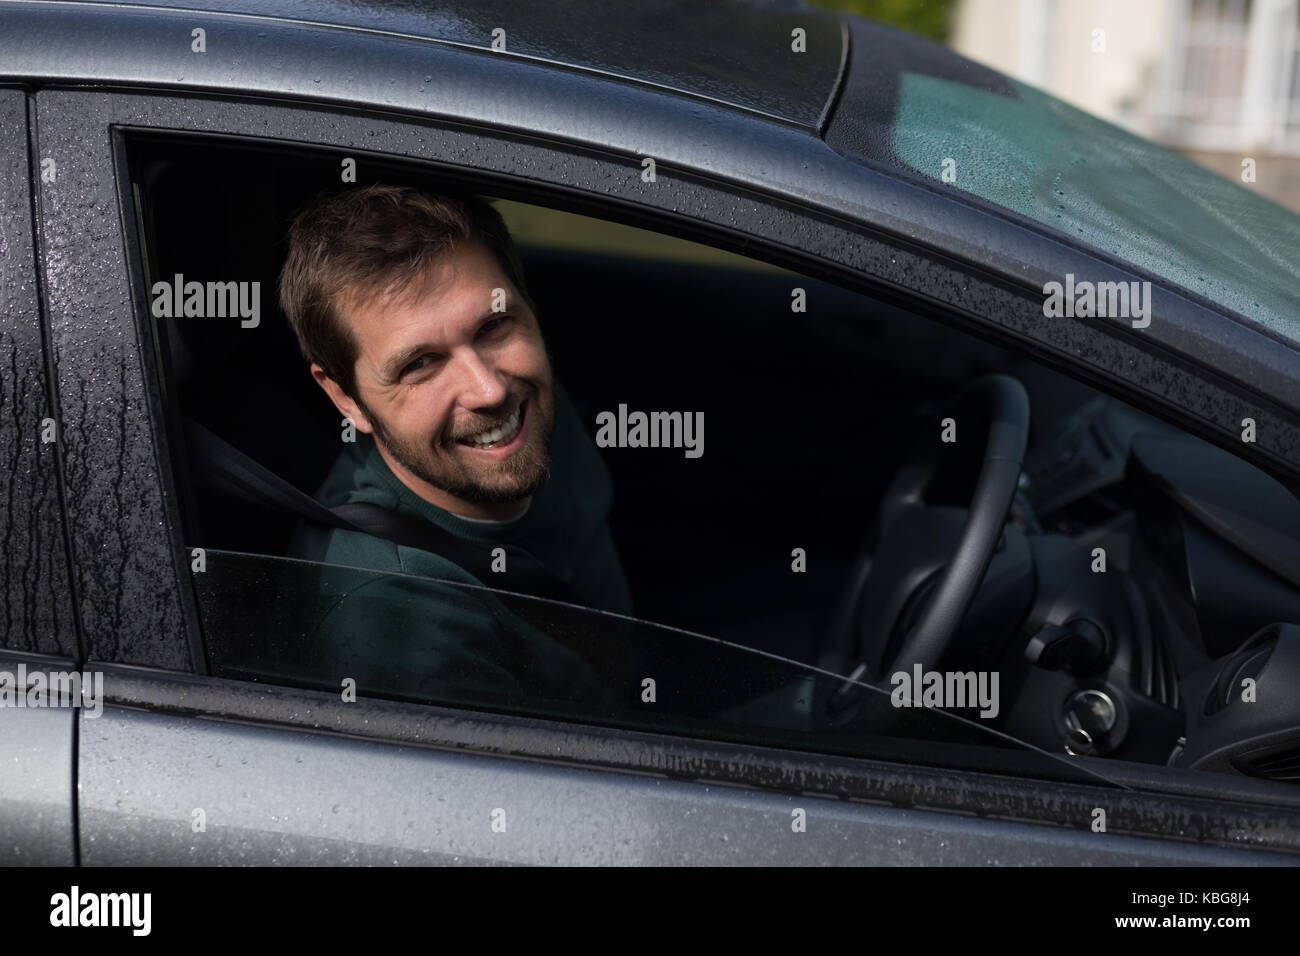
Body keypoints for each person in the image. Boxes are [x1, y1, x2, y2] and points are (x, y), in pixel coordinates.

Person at [277, 184, 634, 703]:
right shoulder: (395, 622)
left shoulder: (533, 411)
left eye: (493, 326)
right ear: (346, 399)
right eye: (419, 364)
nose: (489, 390)